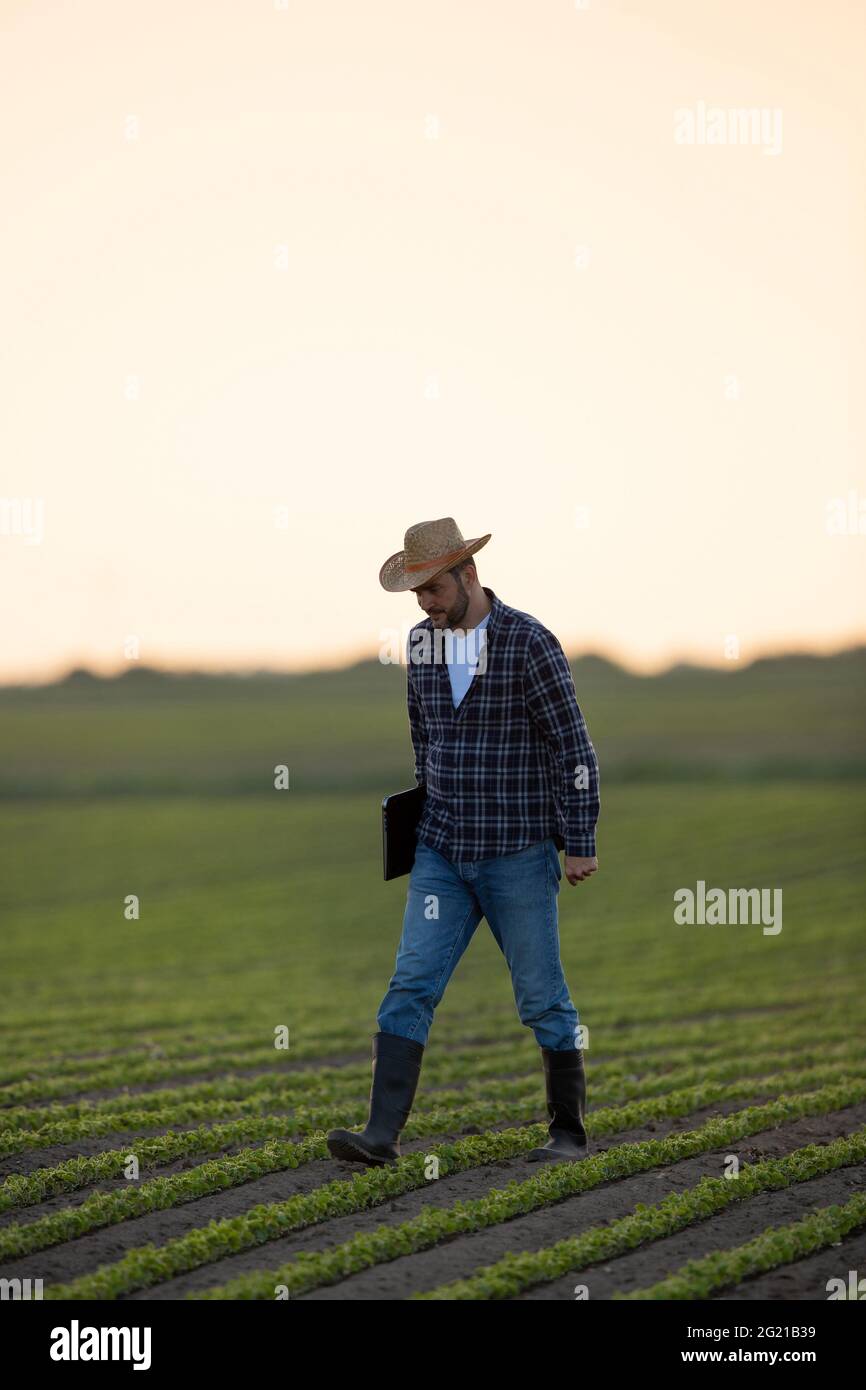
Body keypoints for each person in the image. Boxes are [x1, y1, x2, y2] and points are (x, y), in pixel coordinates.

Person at [327, 517, 600, 1168]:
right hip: (442, 853)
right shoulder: (421, 644)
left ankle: (568, 1134)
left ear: (469, 575)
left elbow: (573, 748)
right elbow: (425, 743)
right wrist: (417, 827)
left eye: (433, 589)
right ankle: (381, 1138)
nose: (424, 603)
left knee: (542, 997)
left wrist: (580, 840)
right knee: (410, 985)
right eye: (416, 592)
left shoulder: (528, 642)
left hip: (518, 851)